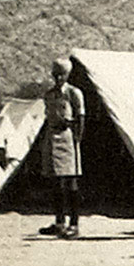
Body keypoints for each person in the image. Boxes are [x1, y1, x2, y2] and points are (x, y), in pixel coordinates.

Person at [38, 57, 85, 239]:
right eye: (55, 75)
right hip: (52, 136)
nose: (58, 78)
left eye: (61, 75)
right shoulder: (49, 95)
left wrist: (77, 139)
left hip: (68, 137)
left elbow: (80, 117)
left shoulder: (74, 93)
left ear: (67, 75)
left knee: (71, 182)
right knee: (55, 182)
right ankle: (59, 222)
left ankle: (74, 224)